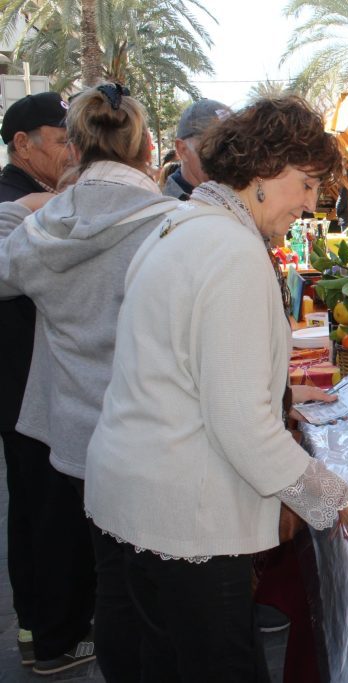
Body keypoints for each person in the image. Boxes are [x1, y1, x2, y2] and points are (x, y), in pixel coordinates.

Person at [84, 96, 348, 681]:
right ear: (261, 170)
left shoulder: (178, 223)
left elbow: (180, 365)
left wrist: (280, 395)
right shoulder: (231, 251)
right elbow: (242, 431)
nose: (311, 203)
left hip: (128, 500)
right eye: (305, 184)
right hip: (182, 518)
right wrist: (340, 503)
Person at [0, 84, 185, 674]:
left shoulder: (41, 228)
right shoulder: (176, 225)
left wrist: (22, 208)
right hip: (157, 433)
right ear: (148, 146)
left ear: (74, 147)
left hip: (77, 436)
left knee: (111, 580)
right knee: (162, 589)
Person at [0, 90, 92, 673]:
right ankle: (56, 639)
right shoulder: (15, 202)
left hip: (27, 386)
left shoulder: (33, 197)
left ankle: (39, 629)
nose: (67, 151)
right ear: (22, 144)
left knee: (34, 510)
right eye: (60, 140)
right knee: (50, 512)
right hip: (27, 387)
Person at [162, 98, 230, 199]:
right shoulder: (167, 210)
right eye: (216, 144)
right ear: (182, 150)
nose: (229, 154)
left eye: (236, 143)